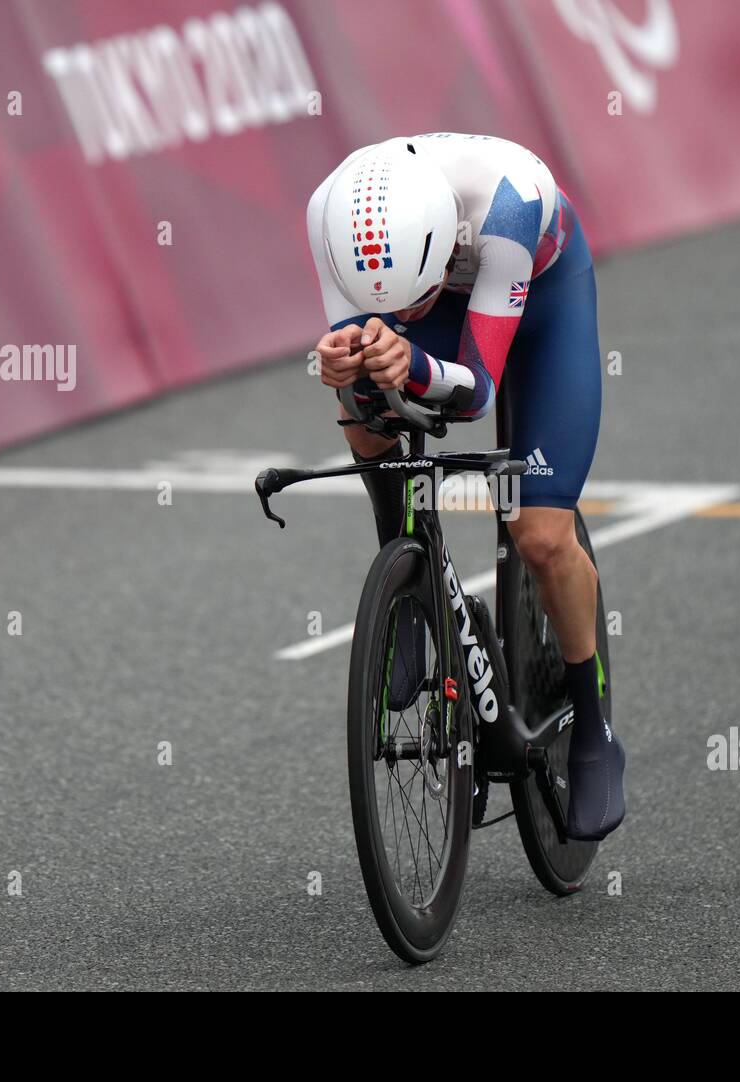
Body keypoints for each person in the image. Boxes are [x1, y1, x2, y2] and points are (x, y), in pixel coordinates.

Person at [305, 133, 625, 841]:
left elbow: (475, 393)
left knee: (539, 536)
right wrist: (342, 359)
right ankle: (410, 579)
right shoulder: (327, 209)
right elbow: (361, 348)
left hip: (540, 304)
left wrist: (414, 360)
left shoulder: (510, 208)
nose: (408, 317)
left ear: (446, 243)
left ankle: (594, 725)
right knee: (359, 393)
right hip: (444, 299)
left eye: (414, 303)